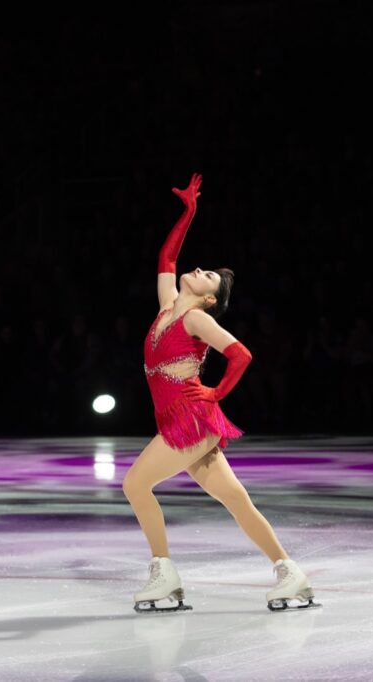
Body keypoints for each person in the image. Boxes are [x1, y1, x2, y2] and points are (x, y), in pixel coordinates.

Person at [122, 173, 320, 613]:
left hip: (190, 420)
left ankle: (164, 572)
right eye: (201, 268)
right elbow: (167, 256)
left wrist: (213, 395)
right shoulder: (166, 307)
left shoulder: (197, 321)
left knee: (135, 484)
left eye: (207, 275)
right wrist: (189, 212)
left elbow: (242, 356)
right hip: (182, 422)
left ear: (210, 298)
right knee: (236, 499)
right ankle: (290, 571)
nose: (197, 270)